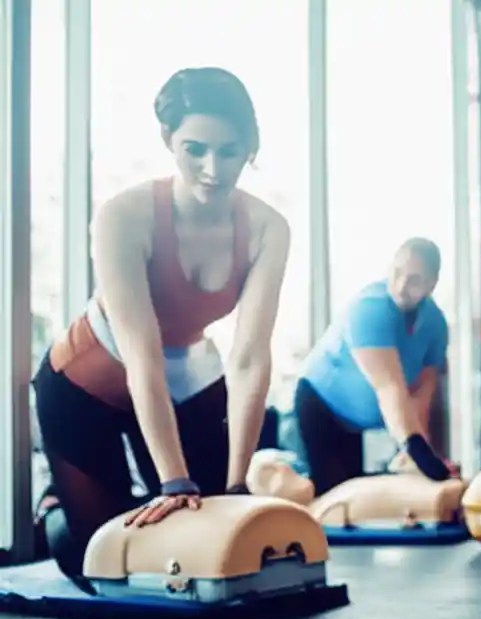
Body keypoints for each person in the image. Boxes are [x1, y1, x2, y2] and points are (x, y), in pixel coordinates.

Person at [32, 67, 291, 580]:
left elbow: (248, 358)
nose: (213, 168)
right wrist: (175, 480)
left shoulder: (267, 228)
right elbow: (141, 352)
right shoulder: (122, 216)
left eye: (229, 151)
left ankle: (153, 492)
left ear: (251, 147)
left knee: (208, 537)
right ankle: (55, 507)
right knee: (99, 556)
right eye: (195, 149)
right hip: (88, 381)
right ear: (168, 141)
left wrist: (237, 487)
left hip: (186, 373)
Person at [295, 238, 456, 496]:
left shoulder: (435, 325)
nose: (402, 286)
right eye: (397, 273)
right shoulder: (370, 308)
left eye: (414, 279)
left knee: (352, 495)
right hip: (319, 404)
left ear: (431, 284)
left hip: (355, 425)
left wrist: (419, 452)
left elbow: (422, 395)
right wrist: (421, 455)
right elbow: (389, 387)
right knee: (330, 497)